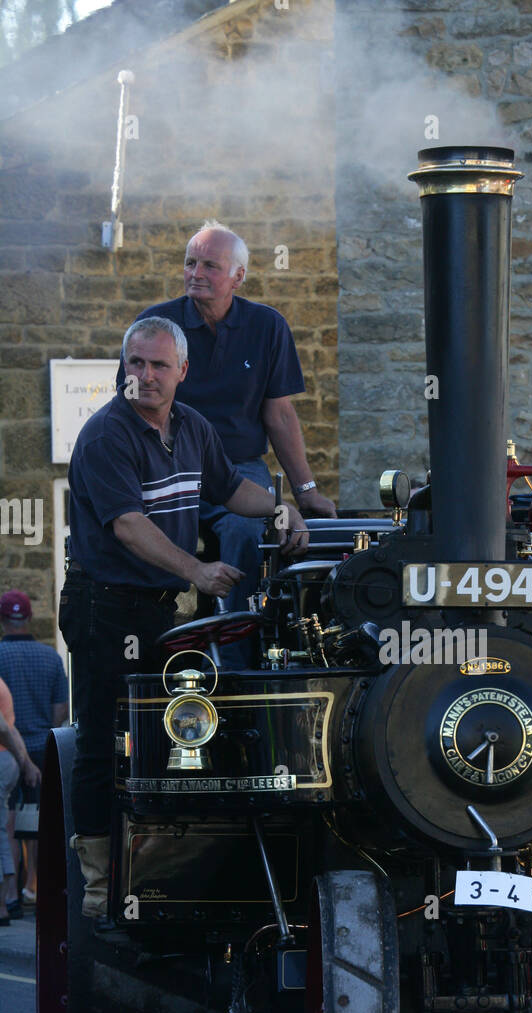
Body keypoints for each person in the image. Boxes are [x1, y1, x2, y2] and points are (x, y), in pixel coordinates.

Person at [63, 316, 295, 917]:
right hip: (104, 605)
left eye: (158, 366)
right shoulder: (105, 435)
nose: (144, 376)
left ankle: (162, 873)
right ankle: (95, 886)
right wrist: (196, 571)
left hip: (161, 609)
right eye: (135, 364)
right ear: (123, 367)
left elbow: (227, 489)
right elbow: (129, 526)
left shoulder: (192, 427)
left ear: (182, 372)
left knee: (174, 734)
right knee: (99, 741)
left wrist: (279, 510)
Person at [122, 220, 336, 665]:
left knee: (246, 532)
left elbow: (278, 414)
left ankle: (237, 661)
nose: (195, 273)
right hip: (168, 465)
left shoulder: (267, 326)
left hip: (238, 467)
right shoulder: (155, 328)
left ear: (238, 277)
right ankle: (150, 651)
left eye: (209, 265)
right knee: (144, 538)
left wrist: (307, 492)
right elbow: (130, 406)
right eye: (189, 263)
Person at [0, 588, 69, 904]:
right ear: (28, 617)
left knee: (10, 823)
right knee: (41, 821)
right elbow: (60, 712)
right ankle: (33, 886)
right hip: (43, 747)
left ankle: (9, 892)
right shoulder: (52, 658)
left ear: (3, 619)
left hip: (8, 751)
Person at [0, 680, 40, 925]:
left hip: (3, 759)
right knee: (3, 833)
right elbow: (10, 728)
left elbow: (4, 729)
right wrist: (25, 763)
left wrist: (24, 761)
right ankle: (8, 901)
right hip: (7, 761)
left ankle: (5, 904)